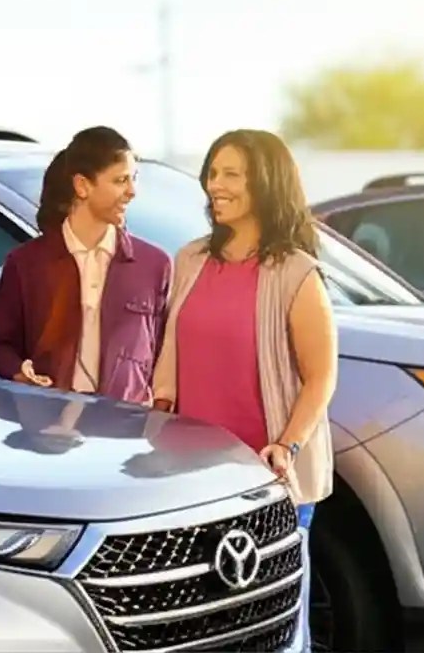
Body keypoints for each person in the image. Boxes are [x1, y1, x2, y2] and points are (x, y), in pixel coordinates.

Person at [150, 128, 337, 652]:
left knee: (276, 624)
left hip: (270, 478)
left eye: (232, 173)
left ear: (265, 183)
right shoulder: (190, 259)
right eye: (212, 172)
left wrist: (289, 444)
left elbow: (321, 375)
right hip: (193, 481)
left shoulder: (295, 272)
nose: (216, 184)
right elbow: (172, 354)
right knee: (203, 621)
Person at [0, 126, 171, 404]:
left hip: (124, 431)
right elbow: (2, 348)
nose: (132, 192)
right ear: (82, 186)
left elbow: (163, 359)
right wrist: (20, 373)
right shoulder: (26, 263)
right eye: (121, 180)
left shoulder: (154, 265)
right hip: (48, 428)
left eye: (134, 179)